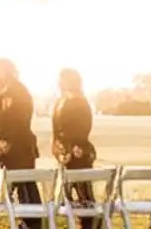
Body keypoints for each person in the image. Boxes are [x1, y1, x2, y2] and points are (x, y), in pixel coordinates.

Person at [0, 59, 41, 229]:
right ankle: (20, 221)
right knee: (14, 188)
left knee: (25, 185)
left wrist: (9, 140)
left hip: (20, 148)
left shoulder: (19, 91)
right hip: (4, 150)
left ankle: (32, 223)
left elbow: (21, 119)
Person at [53, 69, 97, 229]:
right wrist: (59, 150)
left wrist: (74, 149)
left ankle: (88, 225)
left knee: (84, 194)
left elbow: (83, 128)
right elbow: (56, 130)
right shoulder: (60, 102)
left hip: (79, 152)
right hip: (64, 152)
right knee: (65, 194)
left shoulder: (80, 102)